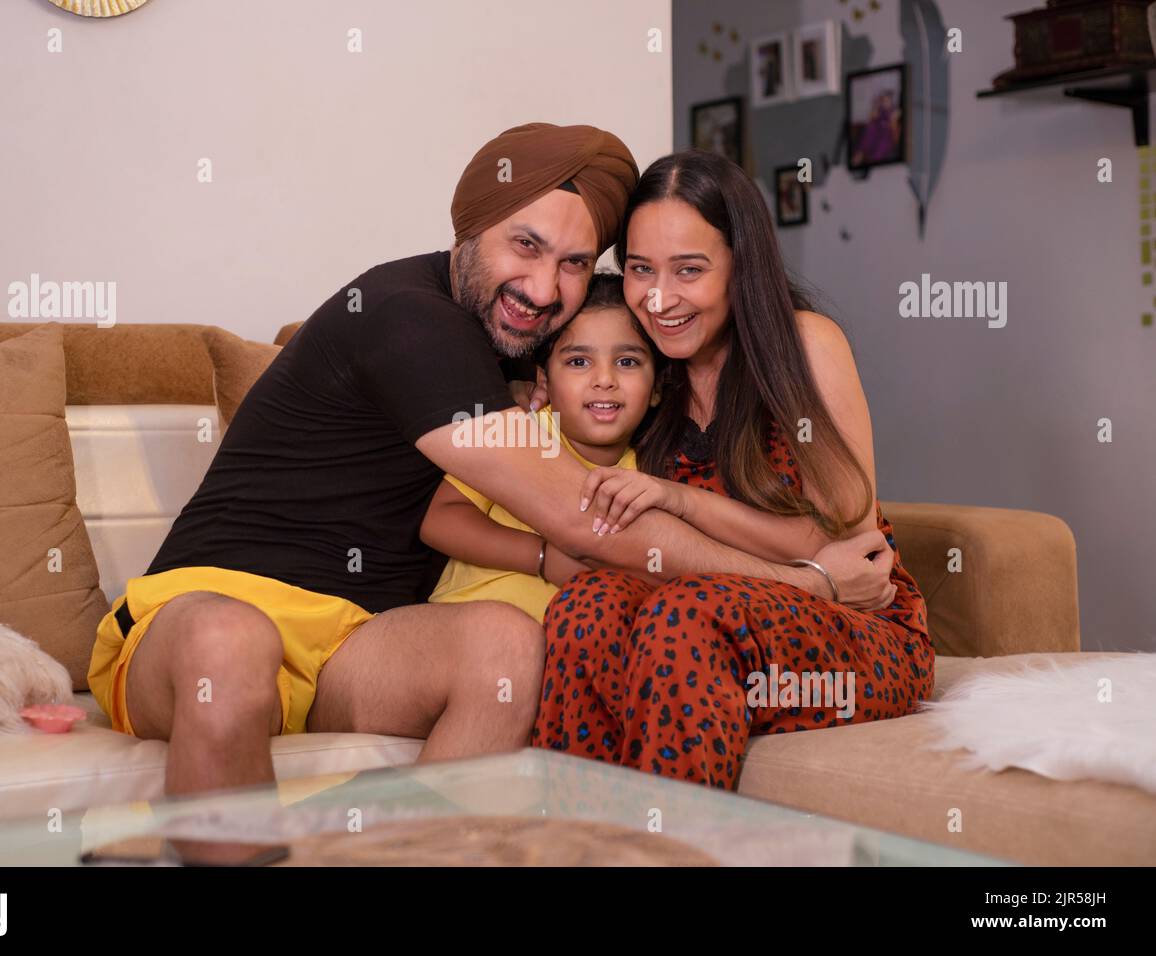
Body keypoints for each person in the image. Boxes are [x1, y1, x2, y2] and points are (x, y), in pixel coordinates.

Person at [86, 123, 891, 832]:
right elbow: (585, 516)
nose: (545, 290)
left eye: (576, 264)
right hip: (201, 613)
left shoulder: (515, 360)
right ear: (468, 227)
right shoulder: (406, 315)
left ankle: (401, 862)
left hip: (353, 643)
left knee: (511, 648)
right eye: (526, 246)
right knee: (233, 642)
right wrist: (808, 584)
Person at [529, 149, 934, 789]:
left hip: (858, 631)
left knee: (684, 613)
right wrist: (531, 391)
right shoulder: (646, 367)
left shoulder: (805, 345)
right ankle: (582, 846)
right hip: (711, 631)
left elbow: (846, 540)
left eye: (689, 270)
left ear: (740, 268)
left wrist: (678, 498)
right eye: (640, 270)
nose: (660, 298)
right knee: (588, 607)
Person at [423, 273, 656, 622]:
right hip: (469, 630)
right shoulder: (520, 433)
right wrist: (543, 558)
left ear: (657, 389)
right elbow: (440, 520)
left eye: (627, 362)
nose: (605, 379)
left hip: (569, 657)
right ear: (544, 380)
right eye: (579, 361)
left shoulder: (649, 477)